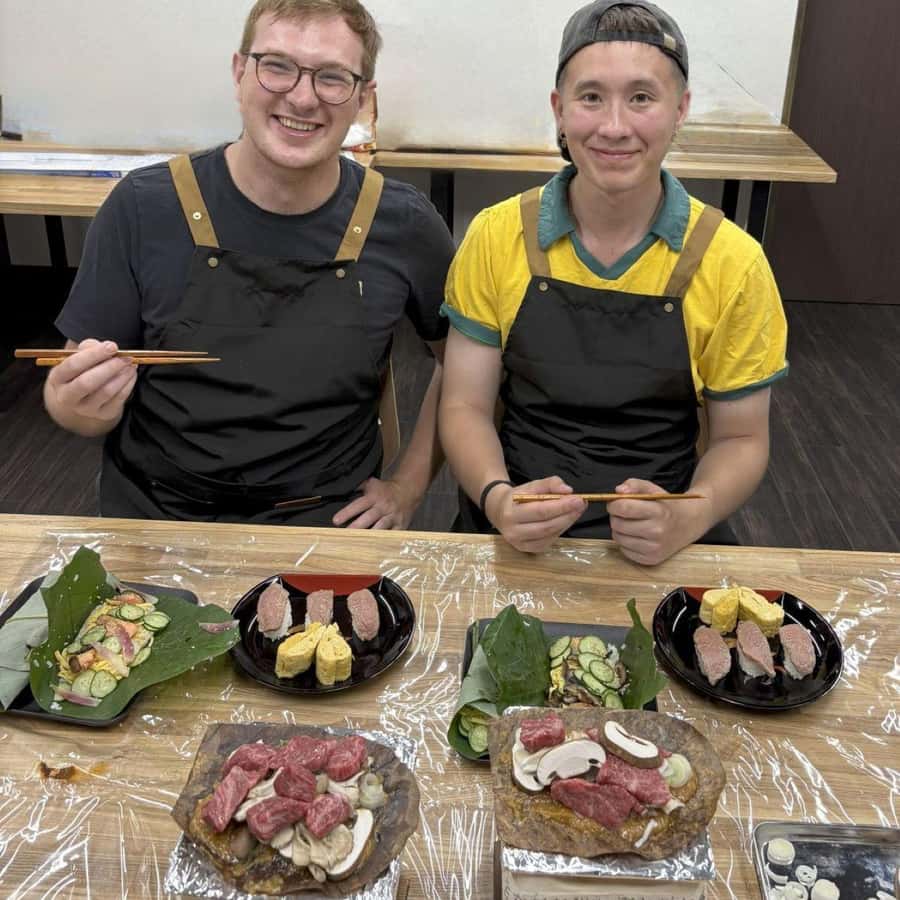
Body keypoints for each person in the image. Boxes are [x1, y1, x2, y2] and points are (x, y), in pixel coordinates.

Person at [44, 0, 454, 529]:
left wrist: (407, 489)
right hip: (157, 513)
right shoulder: (143, 207)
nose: (302, 97)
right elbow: (72, 400)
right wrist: (74, 404)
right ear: (240, 72)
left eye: (332, 77)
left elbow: (464, 367)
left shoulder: (404, 222)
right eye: (277, 66)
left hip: (327, 517)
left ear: (362, 99)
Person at [439, 0, 788, 564]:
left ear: (680, 109)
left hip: (667, 532)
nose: (615, 127)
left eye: (642, 98)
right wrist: (499, 498)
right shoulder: (497, 236)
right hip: (511, 523)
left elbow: (741, 439)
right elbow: (464, 406)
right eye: (591, 97)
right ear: (559, 110)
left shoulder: (733, 263)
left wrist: (689, 514)